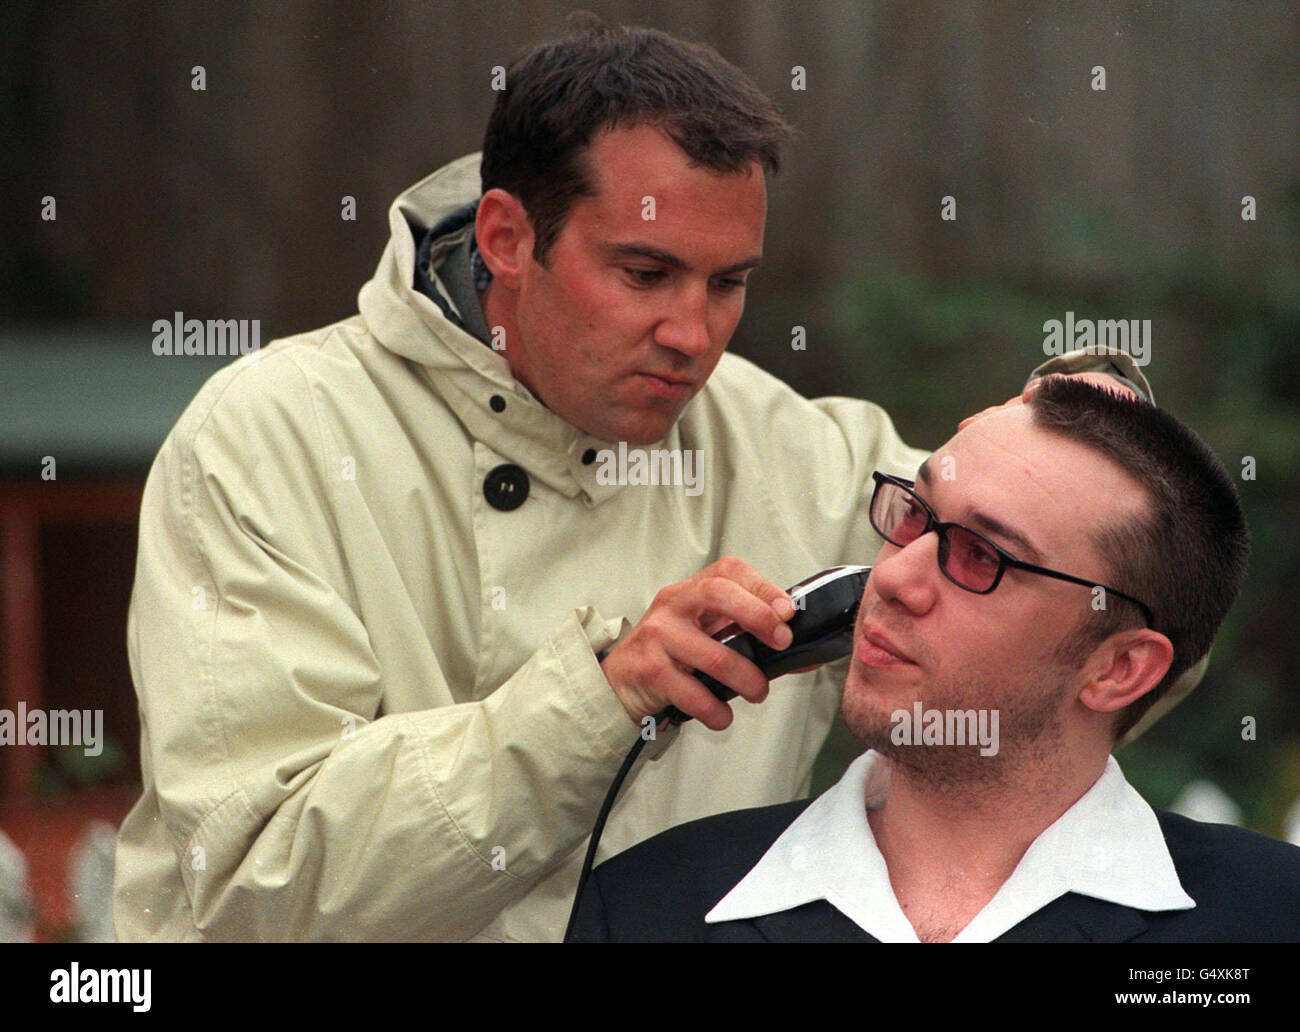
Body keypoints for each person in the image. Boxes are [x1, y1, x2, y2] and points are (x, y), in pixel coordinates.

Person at [113, 20, 1154, 942]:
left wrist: (1102, 463)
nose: (691, 335)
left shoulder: (807, 456)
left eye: (729, 284)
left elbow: (1087, 631)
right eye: (645, 274)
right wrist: (600, 703)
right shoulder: (266, 439)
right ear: (507, 238)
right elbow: (250, 884)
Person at [566, 378, 1300, 943]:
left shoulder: (1264, 920)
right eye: (912, 514)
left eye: (981, 556)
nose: (890, 578)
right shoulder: (649, 908)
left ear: (1120, 669)